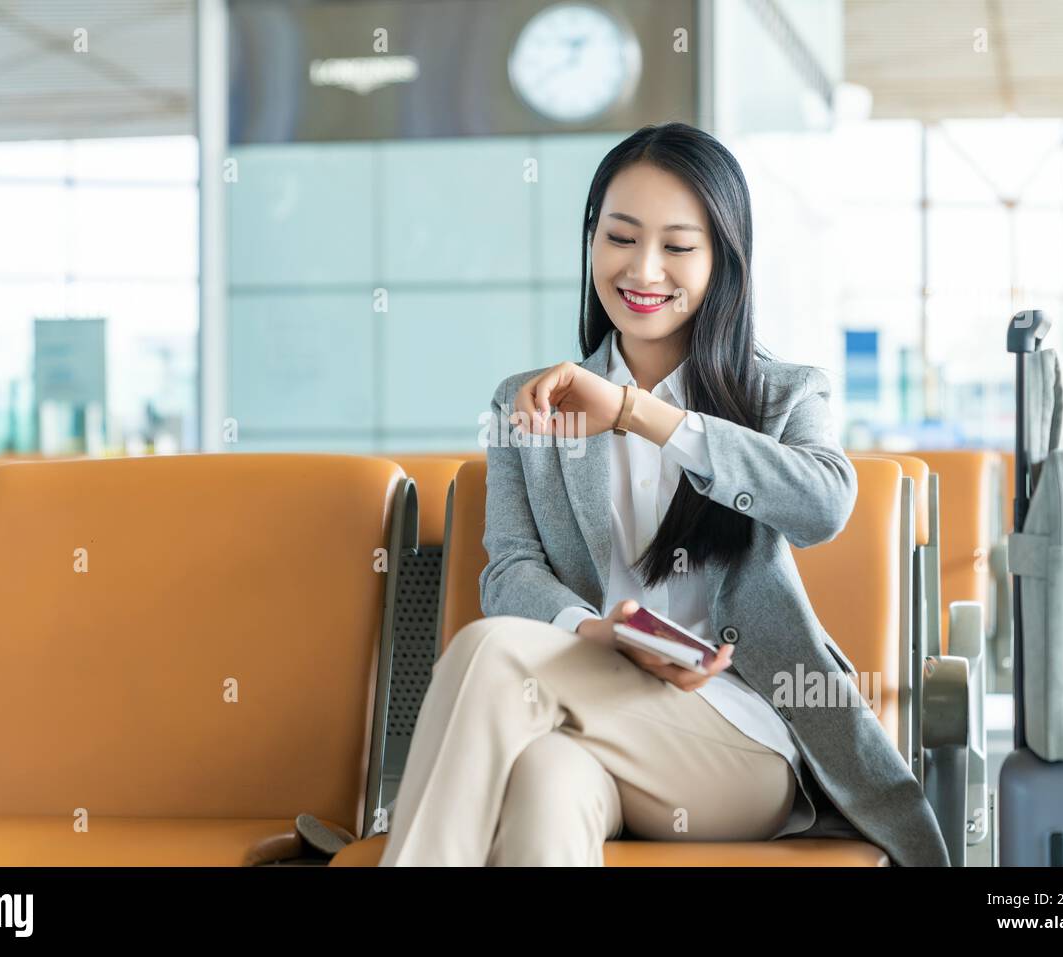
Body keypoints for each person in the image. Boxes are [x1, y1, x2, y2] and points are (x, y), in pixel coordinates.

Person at [378, 122, 950, 867]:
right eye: (620, 237)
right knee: (544, 784)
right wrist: (593, 632)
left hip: (739, 741)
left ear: (722, 262)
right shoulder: (523, 400)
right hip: (592, 710)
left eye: (678, 247)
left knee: (490, 651)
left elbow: (824, 504)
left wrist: (635, 413)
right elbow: (509, 570)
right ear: (591, 241)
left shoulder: (783, 392)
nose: (644, 268)